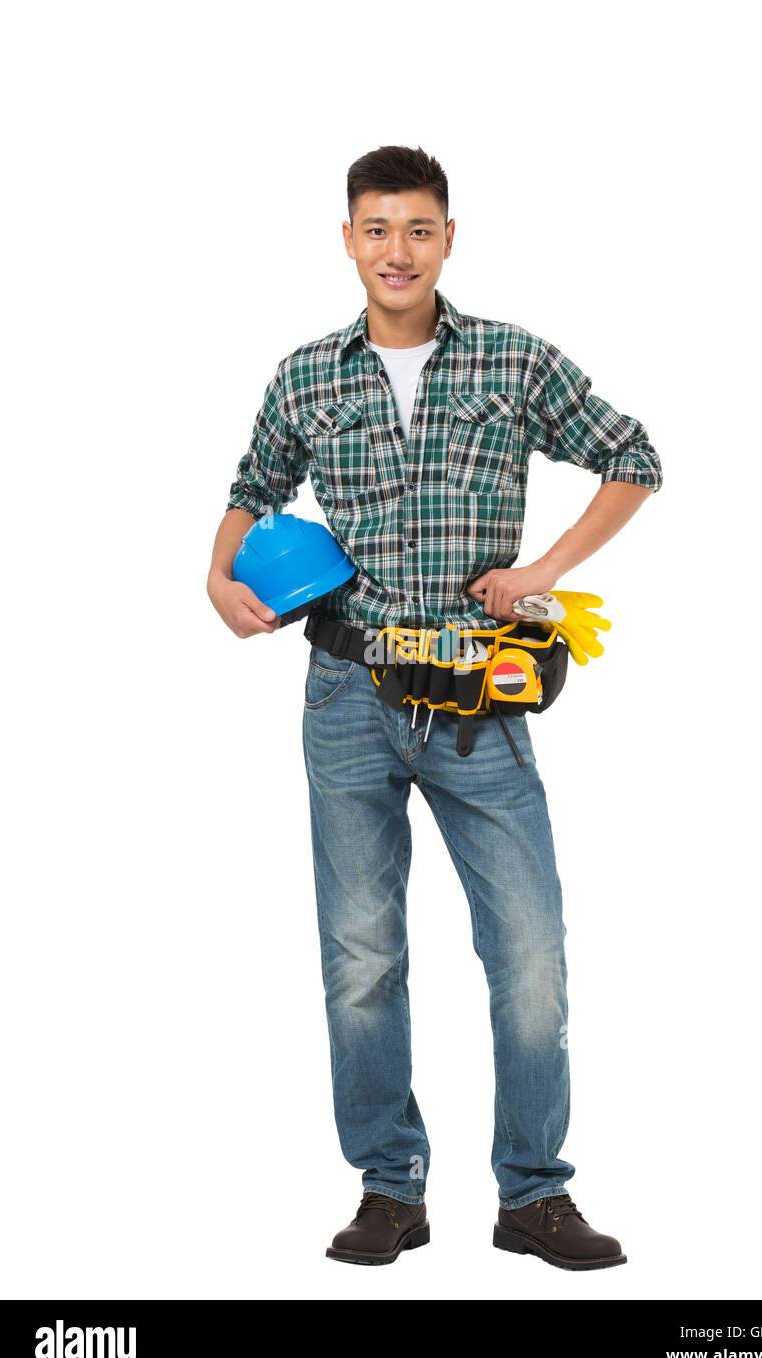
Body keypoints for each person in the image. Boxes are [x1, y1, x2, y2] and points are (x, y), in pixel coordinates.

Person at [207, 145, 662, 1271]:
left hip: (476, 696)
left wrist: (543, 569)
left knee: (529, 950)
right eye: (375, 228)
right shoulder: (307, 375)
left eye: (416, 228)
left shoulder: (509, 360)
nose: (395, 249)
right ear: (347, 239)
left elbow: (633, 456)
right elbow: (249, 489)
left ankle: (531, 1195)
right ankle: (389, 1188)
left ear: (447, 238)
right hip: (345, 696)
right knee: (360, 955)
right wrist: (217, 580)